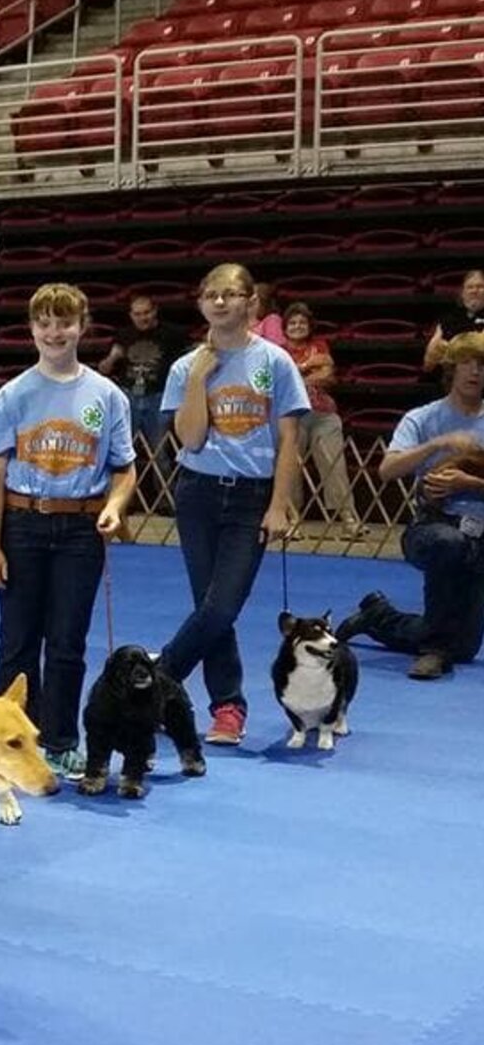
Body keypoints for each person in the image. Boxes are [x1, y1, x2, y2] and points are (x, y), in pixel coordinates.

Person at [0, 283, 136, 781]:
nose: (54, 332)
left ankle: (64, 740)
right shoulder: (11, 397)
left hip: (80, 529)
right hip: (21, 524)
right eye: (44, 323)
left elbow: (125, 468)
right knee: (18, 641)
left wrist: (114, 505)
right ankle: (5, 738)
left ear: (82, 327)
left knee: (68, 641)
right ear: (32, 329)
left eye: (64, 323)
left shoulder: (108, 396)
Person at [157, 263, 307, 745]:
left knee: (221, 607)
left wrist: (280, 504)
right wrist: (200, 379)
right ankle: (228, 707)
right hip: (198, 493)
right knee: (209, 607)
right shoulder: (184, 368)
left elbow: (289, 440)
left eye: (231, 295)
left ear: (251, 304)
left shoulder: (276, 362)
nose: (220, 303)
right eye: (211, 295)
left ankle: (160, 678)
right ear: (200, 303)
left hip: (251, 498)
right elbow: (192, 438)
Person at [338, 332, 484, 680]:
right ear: (451, 369)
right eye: (466, 363)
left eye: (482, 365)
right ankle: (433, 652)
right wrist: (437, 443)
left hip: (480, 532)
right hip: (431, 527)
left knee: (463, 647)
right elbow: (388, 471)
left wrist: (470, 484)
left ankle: (378, 616)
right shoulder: (422, 417)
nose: (474, 372)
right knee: (449, 544)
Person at [277, 302, 363, 541]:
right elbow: (274, 381)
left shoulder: (320, 345)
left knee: (334, 462)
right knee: (290, 467)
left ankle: (349, 519)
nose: (297, 327)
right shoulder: (277, 352)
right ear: (285, 327)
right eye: (292, 323)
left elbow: (327, 375)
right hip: (291, 415)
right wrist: (307, 369)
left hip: (323, 412)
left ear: (310, 326)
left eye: (302, 323)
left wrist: (296, 373)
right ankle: (292, 520)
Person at [101, 293, 184, 457]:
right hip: (129, 398)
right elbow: (104, 370)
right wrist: (112, 357)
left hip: (159, 398)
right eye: (137, 314)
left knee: (160, 453)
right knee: (123, 450)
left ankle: (163, 484)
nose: (142, 318)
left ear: (155, 311)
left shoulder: (172, 334)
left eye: (146, 313)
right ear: (131, 316)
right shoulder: (123, 335)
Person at [422, 269, 484, 371]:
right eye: (470, 287)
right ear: (462, 293)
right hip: (453, 376)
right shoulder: (447, 320)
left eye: (480, 287)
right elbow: (429, 363)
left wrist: (453, 347)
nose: (474, 291)